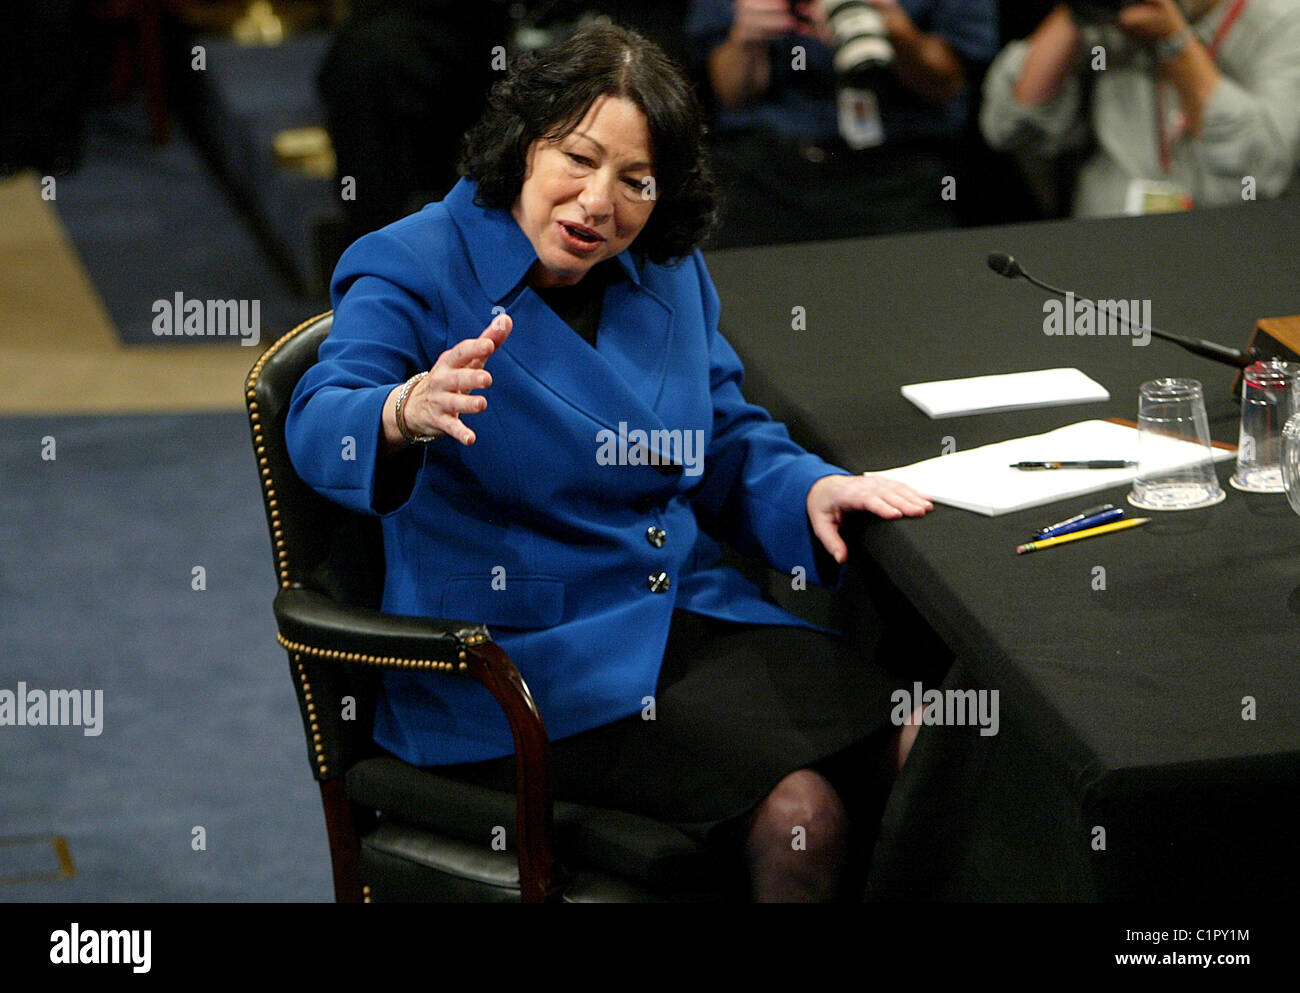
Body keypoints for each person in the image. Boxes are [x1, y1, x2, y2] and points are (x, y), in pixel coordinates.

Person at [286, 22, 935, 901]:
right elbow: (322, 421)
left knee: (930, 744)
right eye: (578, 160)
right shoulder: (414, 262)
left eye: (636, 181)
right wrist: (403, 410)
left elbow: (727, 438)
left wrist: (811, 486)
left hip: (685, 619)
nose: (599, 204)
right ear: (525, 143)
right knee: (805, 815)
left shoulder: (665, 267)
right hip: (520, 669)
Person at [686, 0, 999, 246]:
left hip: (896, 170)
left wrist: (895, 31)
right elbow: (730, 93)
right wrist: (746, 38)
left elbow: (946, 86)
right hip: (767, 168)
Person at [980, 0, 1300, 217]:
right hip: (1104, 244)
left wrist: (1174, 41)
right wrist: (1077, 10)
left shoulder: (1283, 21)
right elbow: (1008, 125)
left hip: (1229, 246)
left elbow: (1261, 171)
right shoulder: (1114, 15)